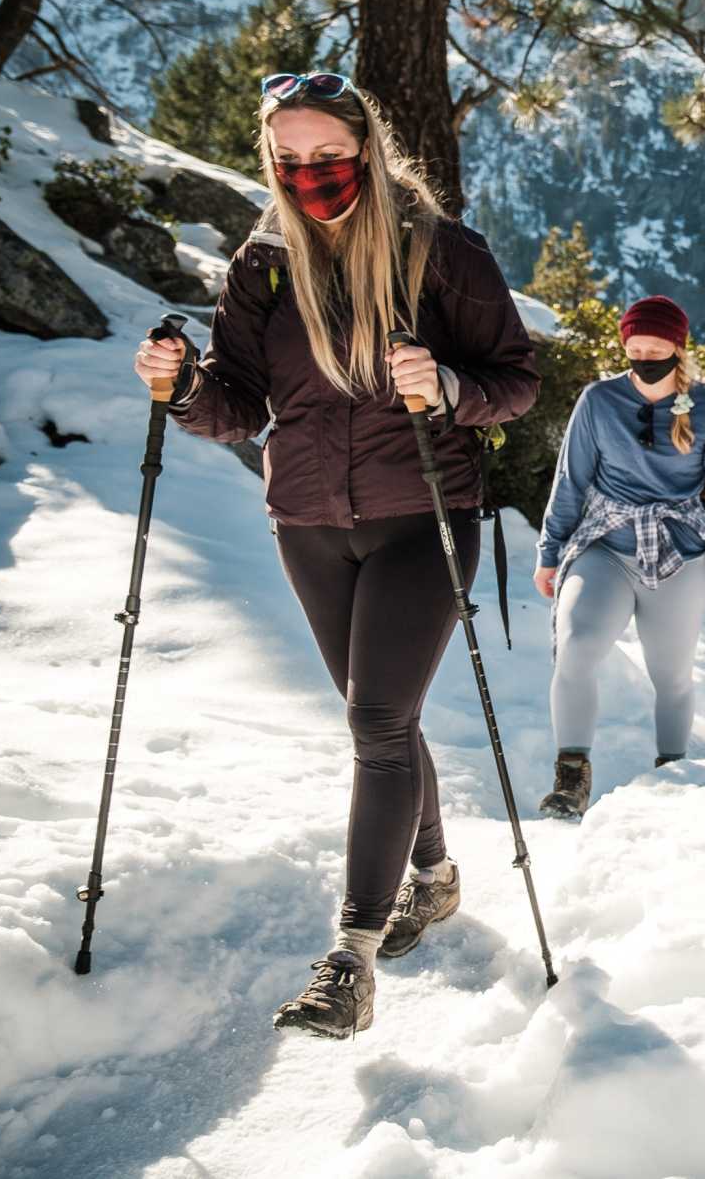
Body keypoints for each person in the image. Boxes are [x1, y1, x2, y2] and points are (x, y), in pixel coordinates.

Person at [132, 71, 539, 1040]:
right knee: (382, 725)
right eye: (290, 158)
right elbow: (237, 400)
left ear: (367, 147)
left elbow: (515, 384)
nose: (309, 173)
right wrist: (183, 387)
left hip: (423, 516)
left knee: (375, 718)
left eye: (328, 155)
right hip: (308, 522)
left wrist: (443, 382)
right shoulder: (264, 264)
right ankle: (433, 877)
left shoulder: (441, 255)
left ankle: (349, 956)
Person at [533, 295, 705, 818]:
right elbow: (571, 481)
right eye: (634, 349)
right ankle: (571, 778)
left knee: (672, 674)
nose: (644, 358)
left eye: (656, 349)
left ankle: (671, 775)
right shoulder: (598, 401)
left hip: (678, 553)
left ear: (678, 349)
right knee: (577, 645)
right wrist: (550, 552)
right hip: (607, 545)